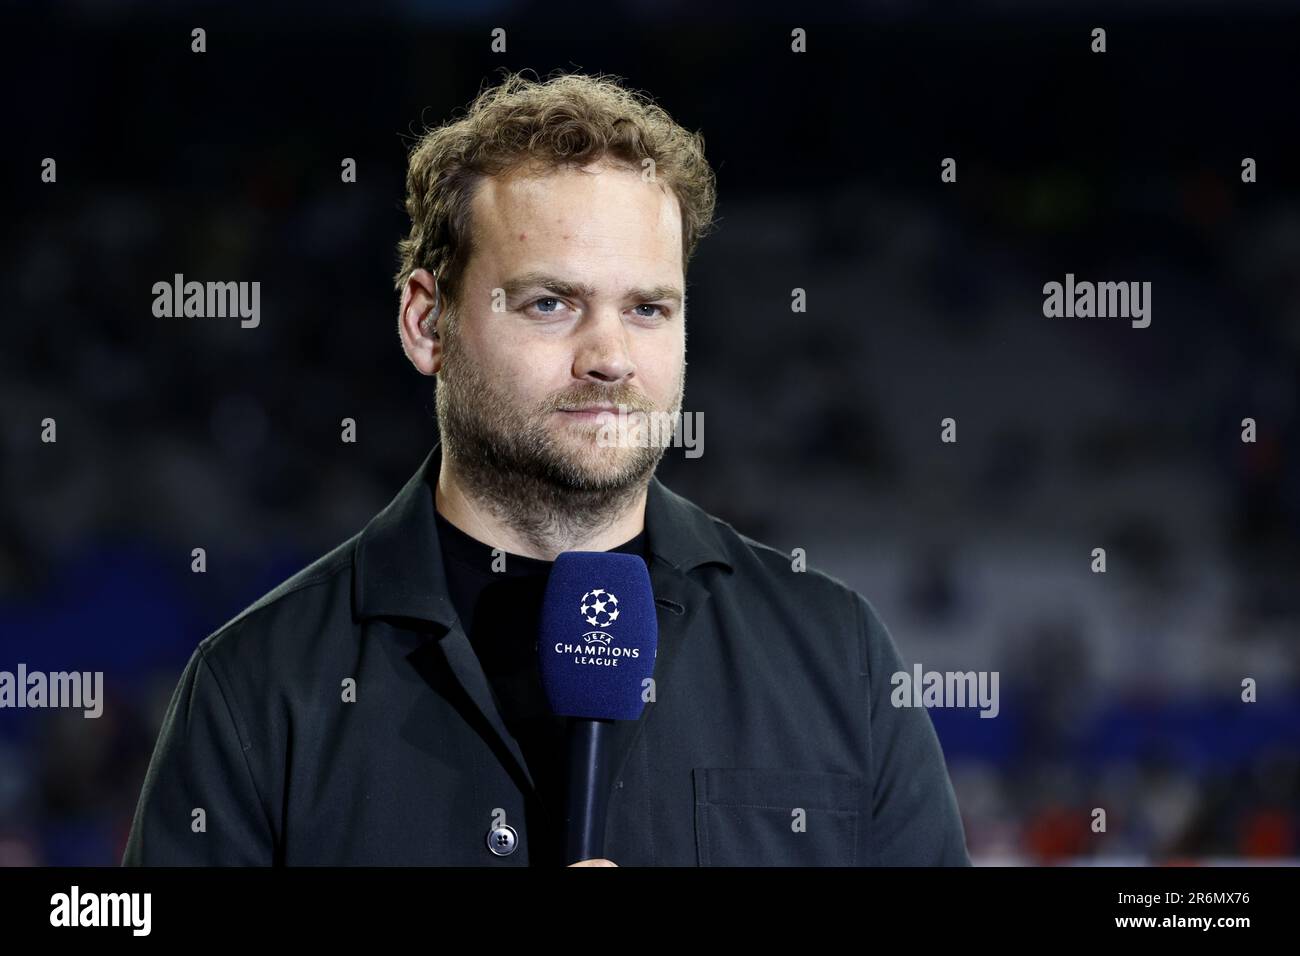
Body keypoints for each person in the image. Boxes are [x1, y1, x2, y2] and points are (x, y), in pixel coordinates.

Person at [122, 70, 970, 866]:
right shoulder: (256, 690)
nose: (609, 357)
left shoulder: (835, 656)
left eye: (647, 308)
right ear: (427, 324)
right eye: (550, 303)